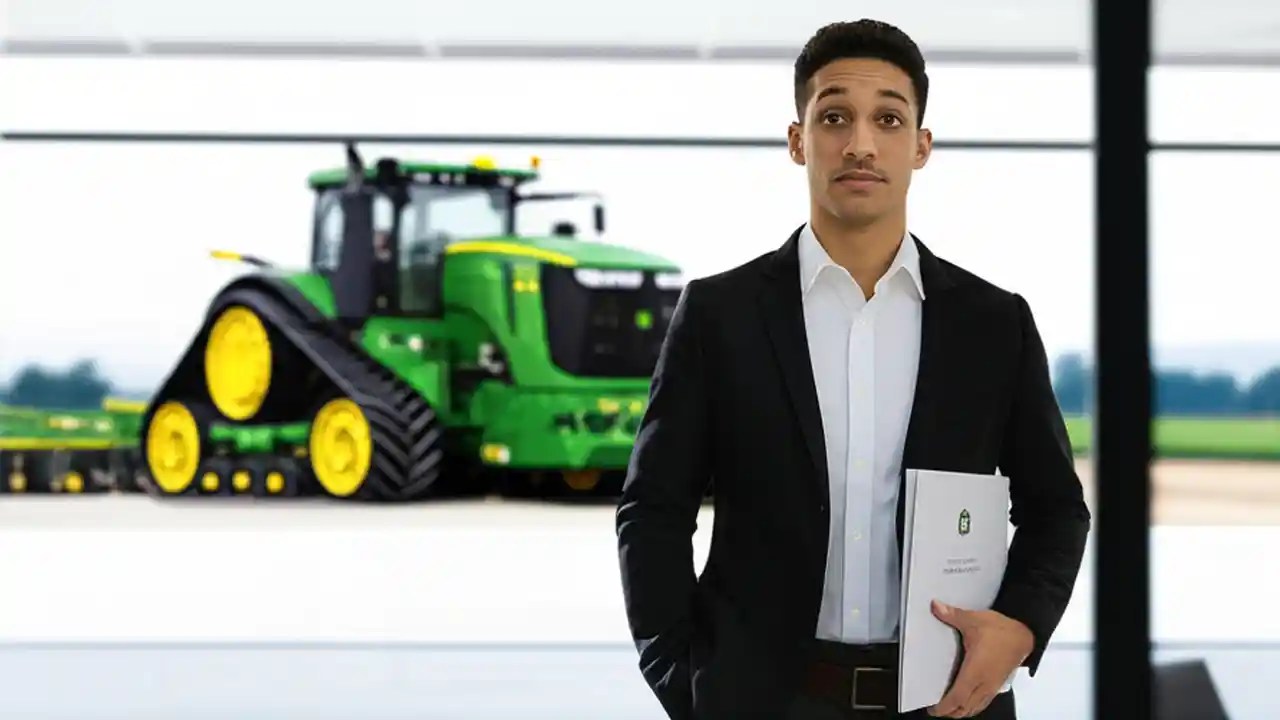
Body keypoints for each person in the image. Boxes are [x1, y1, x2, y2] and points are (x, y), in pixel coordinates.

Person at [615, 18, 1091, 720]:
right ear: (798, 140)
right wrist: (683, 679)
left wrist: (1021, 626)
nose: (861, 142)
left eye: (888, 119)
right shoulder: (720, 315)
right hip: (764, 702)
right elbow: (652, 511)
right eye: (834, 116)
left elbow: (1056, 509)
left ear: (920, 146)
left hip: (946, 699)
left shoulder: (994, 324)